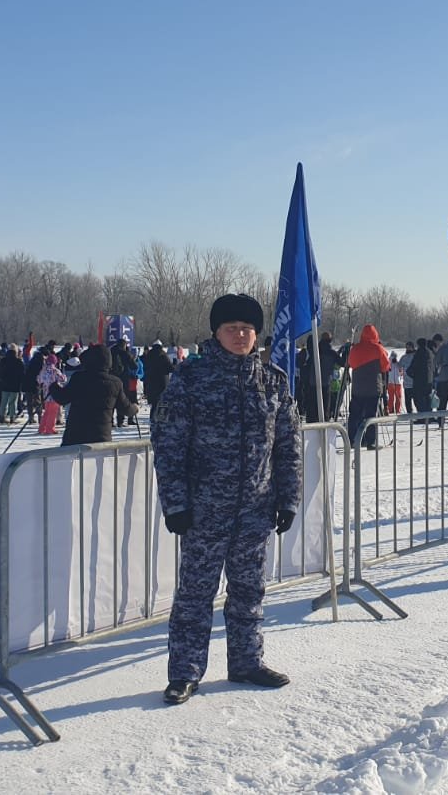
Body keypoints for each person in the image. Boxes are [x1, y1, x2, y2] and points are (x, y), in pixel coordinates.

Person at [152, 294, 302, 705]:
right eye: (231, 329)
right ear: (215, 334)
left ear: (257, 335)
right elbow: (169, 445)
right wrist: (176, 503)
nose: (240, 336)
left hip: (255, 509)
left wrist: (288, 499)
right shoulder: (191, 379)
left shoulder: (273, 381)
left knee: (249, 590)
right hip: (204, 510)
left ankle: (246, 662)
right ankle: (185, 673)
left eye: (248, 330)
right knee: (195, 595)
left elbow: (288, 446)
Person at [47, 344, 135, 446]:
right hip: (101, 439)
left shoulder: (79, 378)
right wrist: (134, 408)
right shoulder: (115, 383)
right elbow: (125, 408)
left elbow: (62, 398)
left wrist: (53, 386)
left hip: (75, 438)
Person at [345, 324, 390, 448]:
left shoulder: (355, 349)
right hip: (373, 388)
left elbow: (350, 363)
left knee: (354, 415)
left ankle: (353, 439)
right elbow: (386, 366)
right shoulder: (378, 349)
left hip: (357, 388)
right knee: (371, 415)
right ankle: (371, 441)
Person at [143, 340, 175, 409]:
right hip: (162, 382)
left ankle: (152, 418)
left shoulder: (149, 355)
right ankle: (160, 418)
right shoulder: (163, 355)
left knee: (154, 405)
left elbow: (145, 367)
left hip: (151, 383)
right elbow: (170, 368)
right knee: (161, 405)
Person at [406, 337, 434, 415]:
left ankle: (422, 417)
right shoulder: (430, 353)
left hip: (419, 381)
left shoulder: (419, 353)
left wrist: (411, 374)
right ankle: (429, 416)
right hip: (429, 380)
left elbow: (413, 366)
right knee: (428, 399)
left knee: (419, 400)